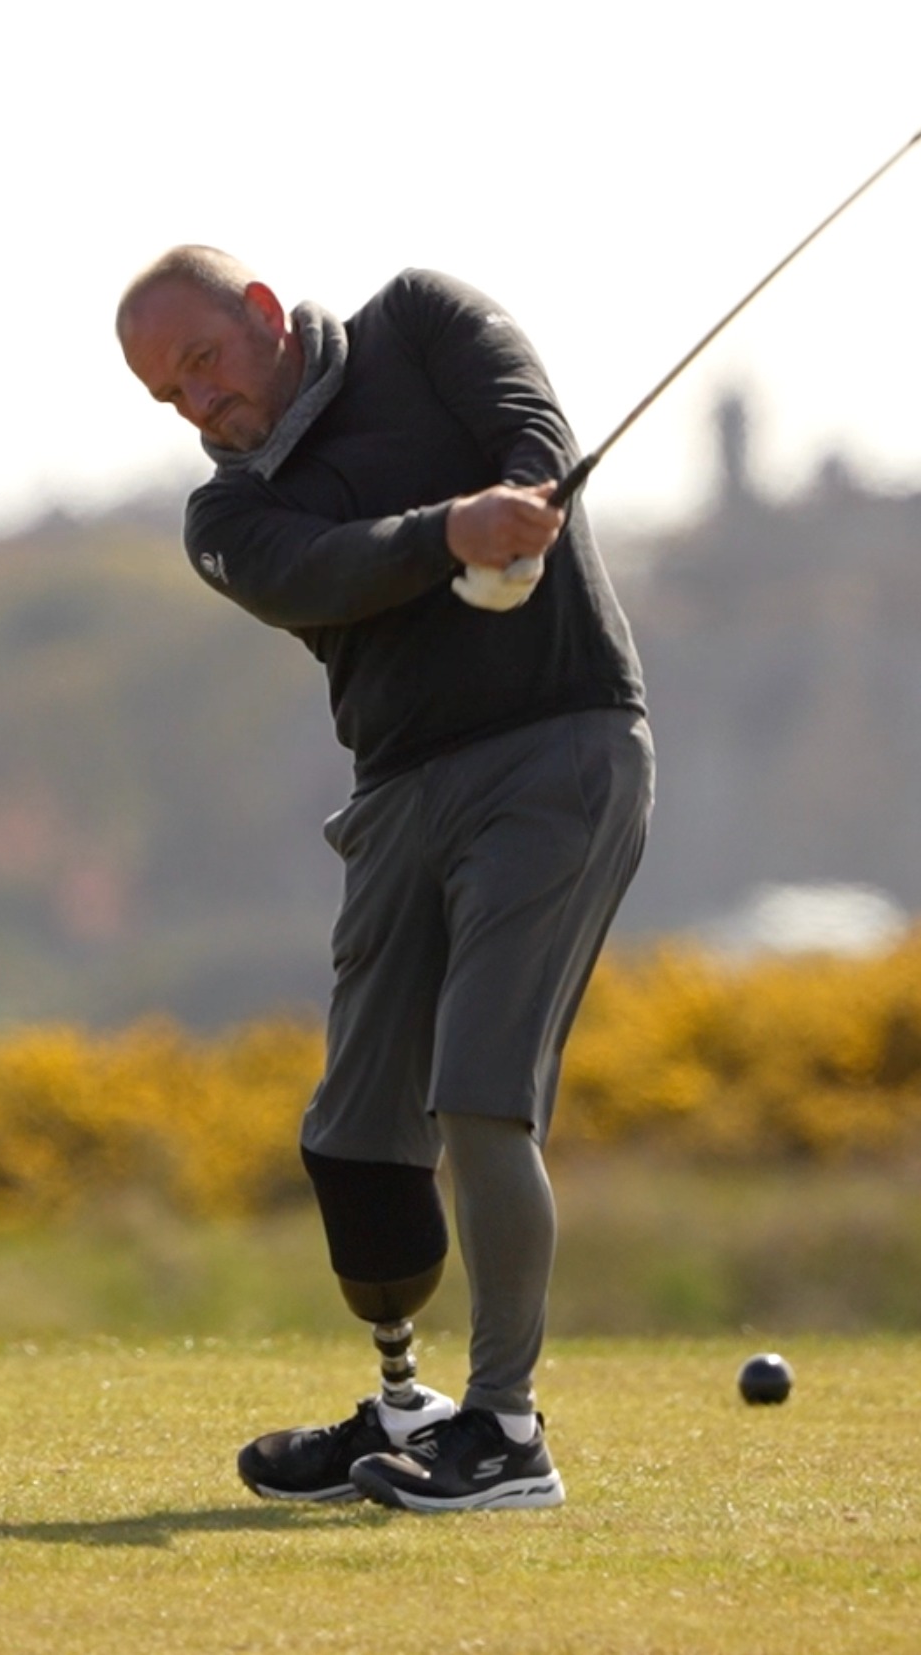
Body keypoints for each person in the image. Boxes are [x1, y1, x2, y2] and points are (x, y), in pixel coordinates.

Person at [113, 246, 651, 1513]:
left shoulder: (420, 321)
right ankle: (407, 1406)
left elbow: (528, 422)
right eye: (167, 398)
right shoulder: (228, 519)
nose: (199, 406)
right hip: (402, 786)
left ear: (259, 315)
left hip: (559, 744)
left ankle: (507, 1431)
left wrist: (523, 501)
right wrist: (451, 533)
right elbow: (328, 570)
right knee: (357, 1137)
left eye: (202, 364)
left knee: (478, 1092)